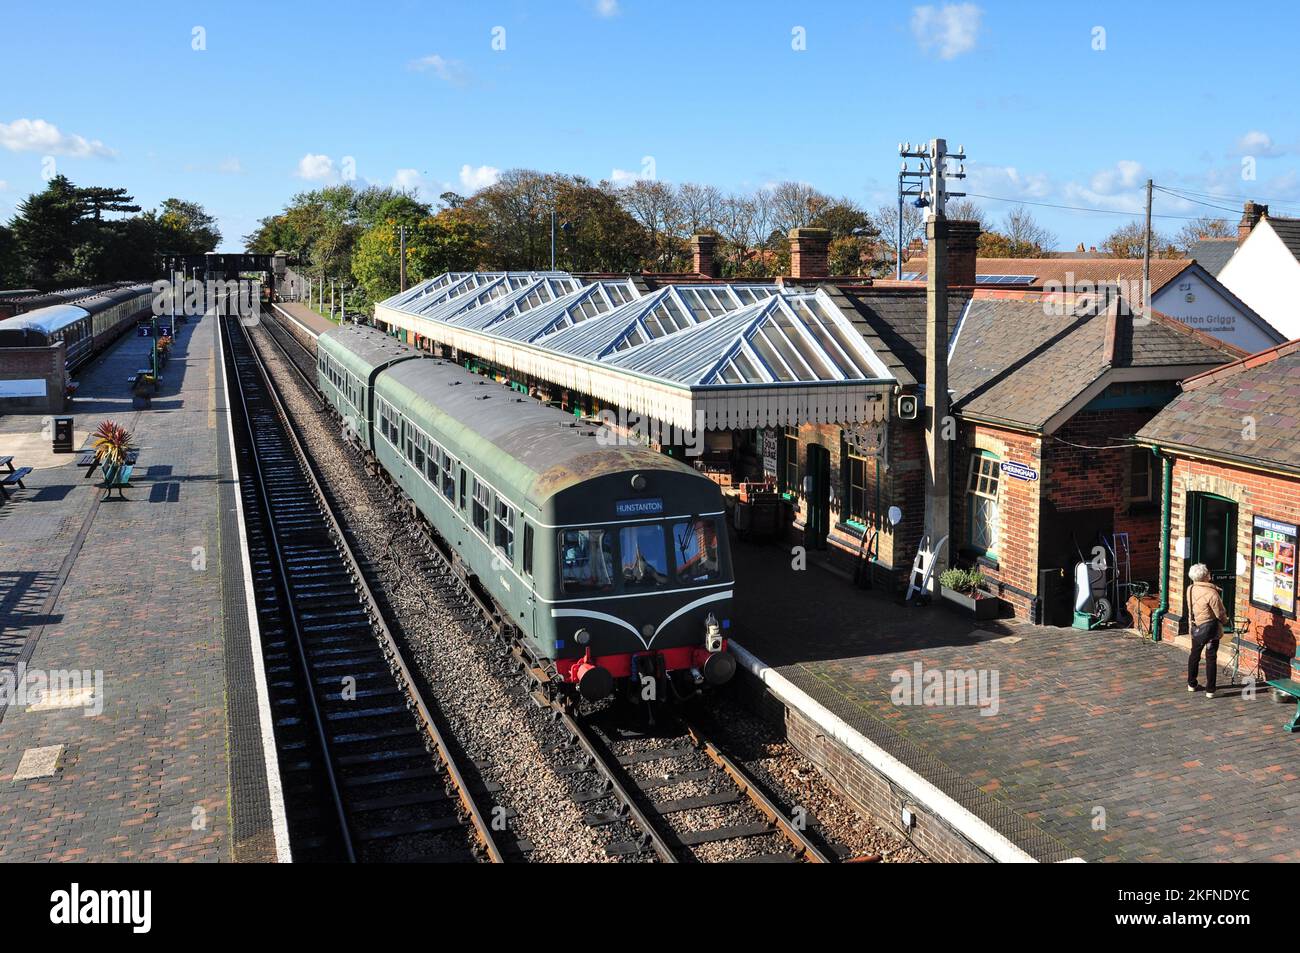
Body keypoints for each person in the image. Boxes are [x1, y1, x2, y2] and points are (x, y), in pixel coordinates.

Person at [1186, 563, 1229, 698]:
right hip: (1210, 629)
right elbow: (1220, 613)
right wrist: (1225, 621)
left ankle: (1191, 684)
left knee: (1194, 655)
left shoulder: (1190, 588)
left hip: (1196, 627)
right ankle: (1210, 690)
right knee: (1211, 658)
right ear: (1205, 576)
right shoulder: (1212, 593)